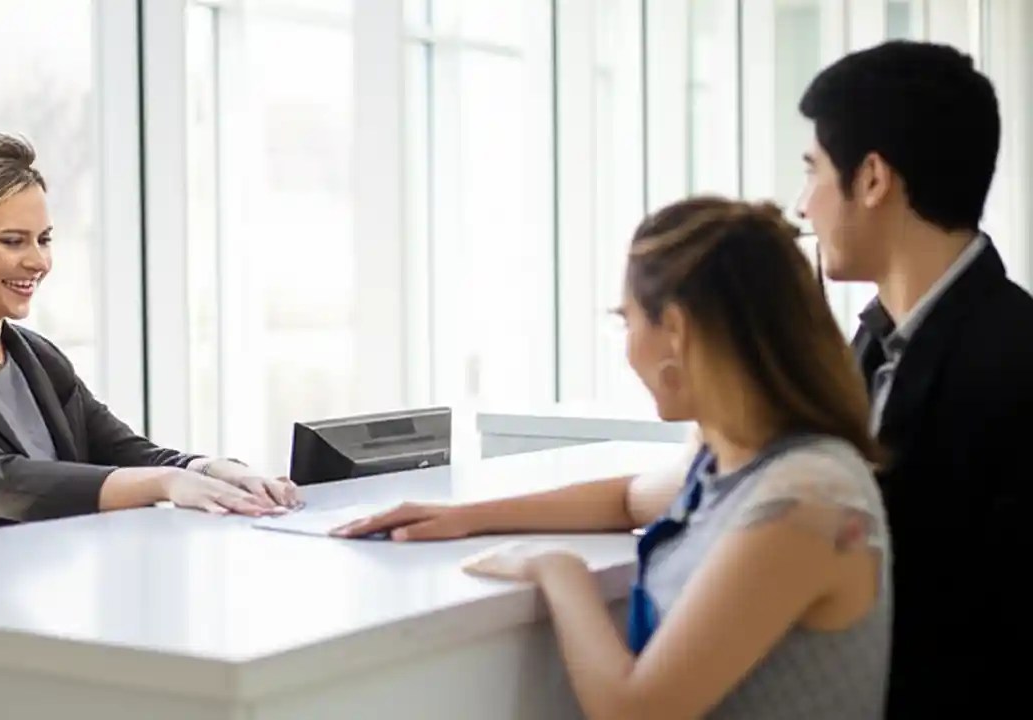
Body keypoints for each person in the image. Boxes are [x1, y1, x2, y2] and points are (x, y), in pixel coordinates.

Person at [336, 198, 892, 719]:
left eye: (627, 321)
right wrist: (465, 516)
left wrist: (560, 571)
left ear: (675, 329)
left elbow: (634, 709)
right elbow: (628, 498)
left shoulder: (805, 499)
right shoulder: (741, 464)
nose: (626, 345)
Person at [0, 129, 296, 523]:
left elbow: (128, 454)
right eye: (13, 241)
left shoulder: (37, 358)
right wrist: (165, 483)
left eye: (44, 240)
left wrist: (213, 470)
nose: (39, 261)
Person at [794, 40, 1032, 716]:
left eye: (813, 170)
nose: (804, 203)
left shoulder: (1012, 361)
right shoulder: (866, 344)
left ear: (872, 178)